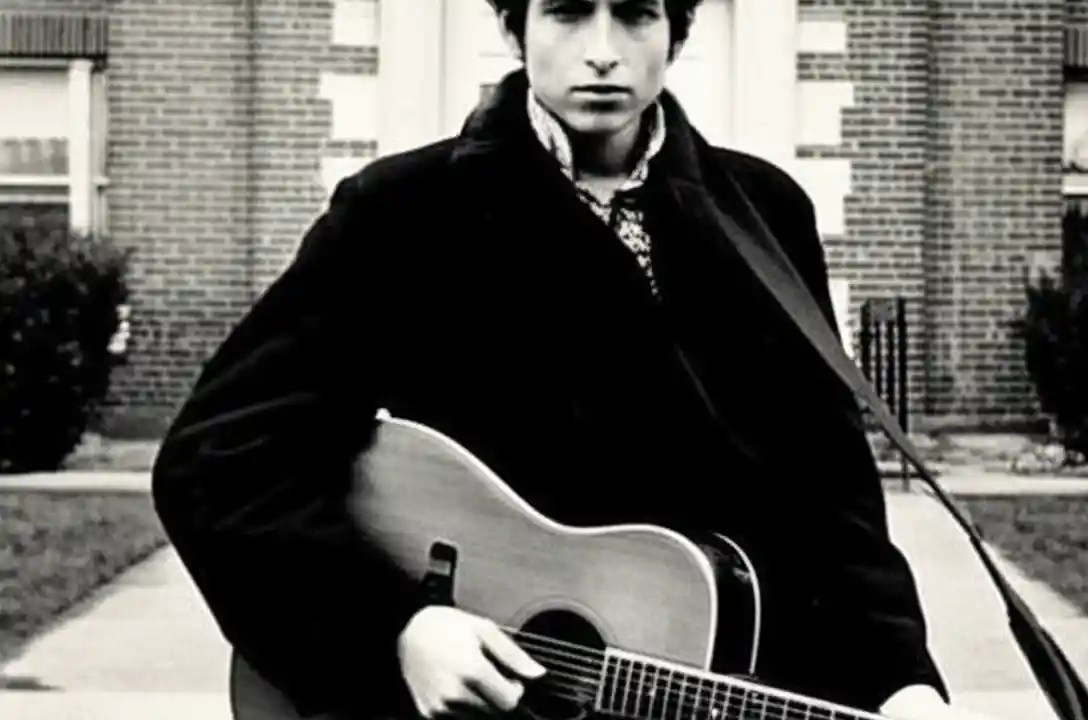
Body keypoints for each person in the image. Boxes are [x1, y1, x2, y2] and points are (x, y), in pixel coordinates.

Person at [152, 1, 999, 719]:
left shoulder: (765, 213)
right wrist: (397, 626)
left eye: (634, 13)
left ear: (678, 31)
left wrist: (896, 682)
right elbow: (219, 460)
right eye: (566, 11)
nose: (602, 49)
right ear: (516, 28)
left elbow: (828, 492)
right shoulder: (404, 213)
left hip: (712, 684)